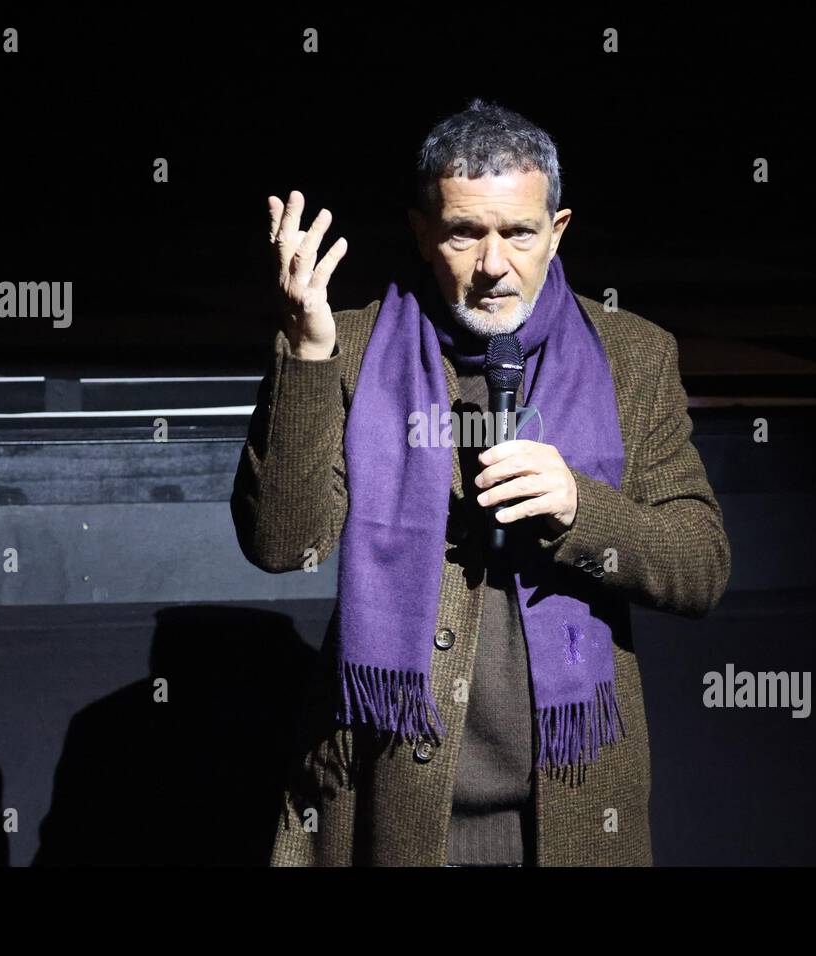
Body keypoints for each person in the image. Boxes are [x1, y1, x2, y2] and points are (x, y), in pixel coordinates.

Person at [232, 98, 731, 867]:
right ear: (422, 231)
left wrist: (581, 508)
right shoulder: (352, 349)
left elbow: (700, 569)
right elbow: (282, 544)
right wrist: (305, 351)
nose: (494, 264)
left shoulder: (633, 358)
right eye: (465, 232)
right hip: (391, 808)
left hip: (569, 812)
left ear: (557, 230)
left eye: (519, 233)